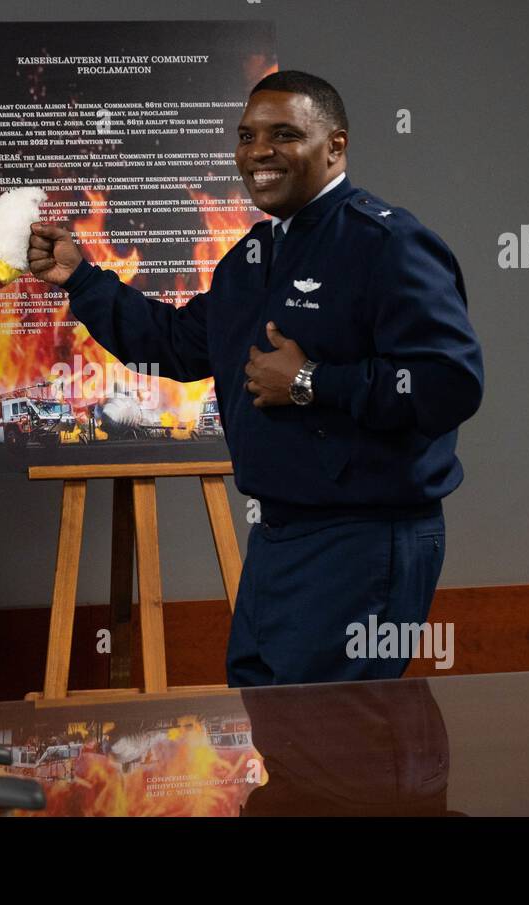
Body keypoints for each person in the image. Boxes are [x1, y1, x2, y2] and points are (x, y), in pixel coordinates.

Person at [27, 70, 483, 686]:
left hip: (364, 541)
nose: (258, 152)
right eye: (246, 136)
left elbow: (448, 382)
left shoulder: (387, 243)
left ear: (335, 146)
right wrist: (82, 280)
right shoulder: (252, 256)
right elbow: (179, 348)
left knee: (337, 749)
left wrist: (312, 382)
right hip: (277, 537)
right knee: (276, 733)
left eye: (283, 134)